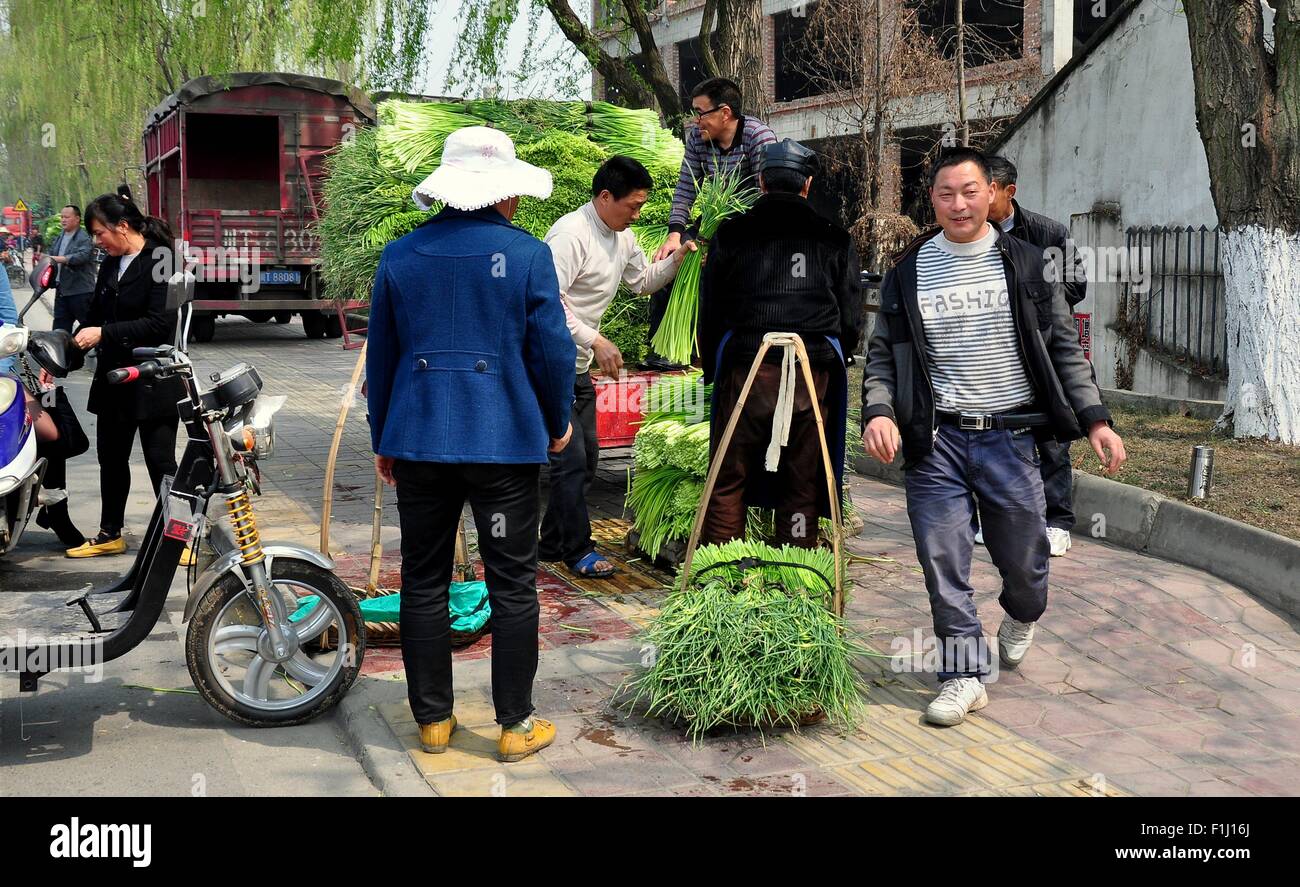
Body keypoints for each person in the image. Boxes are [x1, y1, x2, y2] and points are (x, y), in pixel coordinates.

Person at [860, 147, 1127, 727]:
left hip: (1009, 438)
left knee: (1027, 564)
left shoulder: (1028, 264)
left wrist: (1096, 419)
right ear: (931, 200)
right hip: (937, 441)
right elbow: (882, 356)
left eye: (970, 191)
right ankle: (962, 675)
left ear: (993, 194)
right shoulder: (908, 271)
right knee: (942, 562)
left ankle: (1022, 613)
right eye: (946, 194)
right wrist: (878, 412)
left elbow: (1064, 350)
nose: (958, 204)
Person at [369, 127, 577, 763]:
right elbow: (552, 351)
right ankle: (514, 726)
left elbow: (383, 359)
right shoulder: (527, 256)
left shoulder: (400, 257)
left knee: (423, 582)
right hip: (504, 446)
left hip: (421, 443)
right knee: (513, 584)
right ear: (504, 196)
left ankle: (433, 721)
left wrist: (385, 437)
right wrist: (558, 418)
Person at [698, 139, 864, 547]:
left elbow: (711, 310)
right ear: (807, 184)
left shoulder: (732, 233)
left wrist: (711, 369)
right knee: (802, 476)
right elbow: (850, 318)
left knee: (728, 474)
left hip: (746, 372)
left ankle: (721, 573)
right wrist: (835, 354)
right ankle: (795, 566)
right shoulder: (834, 238)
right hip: (812, 375)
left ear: (761, 182)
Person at [540, 156, 693, 578]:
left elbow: (642, 282)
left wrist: (678, 259)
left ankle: (550, 542)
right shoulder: (571, 234)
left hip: (578, 367)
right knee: (570, 459)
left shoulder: (622, 237)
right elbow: (546, 301)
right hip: (550, 366)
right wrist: (596, 338)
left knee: (586, 459)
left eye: (642, 206)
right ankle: (578, 549)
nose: (637, 213)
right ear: (605, 197)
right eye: (633, 205)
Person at [68, 186, 184, 558]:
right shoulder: (109, 265)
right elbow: (94, 314)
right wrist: (71, 344)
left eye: (100, 233)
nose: (98, 242)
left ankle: (182, 536)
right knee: (112, 459)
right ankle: (109, 533)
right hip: (113, 380)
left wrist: (104, 333)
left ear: (121, 226)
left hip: (153, 378)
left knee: (161, 462)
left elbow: (158, 325)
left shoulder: (162, 260)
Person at [986, 155, 1088, 557]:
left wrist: (1033, 296)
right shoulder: (971, 233)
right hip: (996, 350)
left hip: (1043, 348)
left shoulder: (1047, 232)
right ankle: (997, 519)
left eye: (988, 190)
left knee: (1052, 438)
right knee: (994, 435)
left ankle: (1058, 521)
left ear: (1009, 192)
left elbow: (1077, 286)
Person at [644, 76, 776, 371]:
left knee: (715, 275)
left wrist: (725, 248)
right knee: (669, 263)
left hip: (750, 229)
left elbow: (767, 196)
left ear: (725, 112)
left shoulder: (758, 137)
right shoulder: (697, 139)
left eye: (700, 112)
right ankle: (662, 351)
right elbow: (685, 189)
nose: (696, 120)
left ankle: (709, 355)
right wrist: (675, 234)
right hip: (710, 224)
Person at [47, 205, 96, 334]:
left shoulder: (84, 237)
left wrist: (59, 259)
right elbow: (52, 253)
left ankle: (97, 350)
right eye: (62, 217)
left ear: (77, 219)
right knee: (60, 327)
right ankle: (61, 352)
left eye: (67, 217)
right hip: (62, 290)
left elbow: (81, 257)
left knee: (88, 325)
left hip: (80, 291)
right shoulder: (60, 236)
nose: (63, 220)